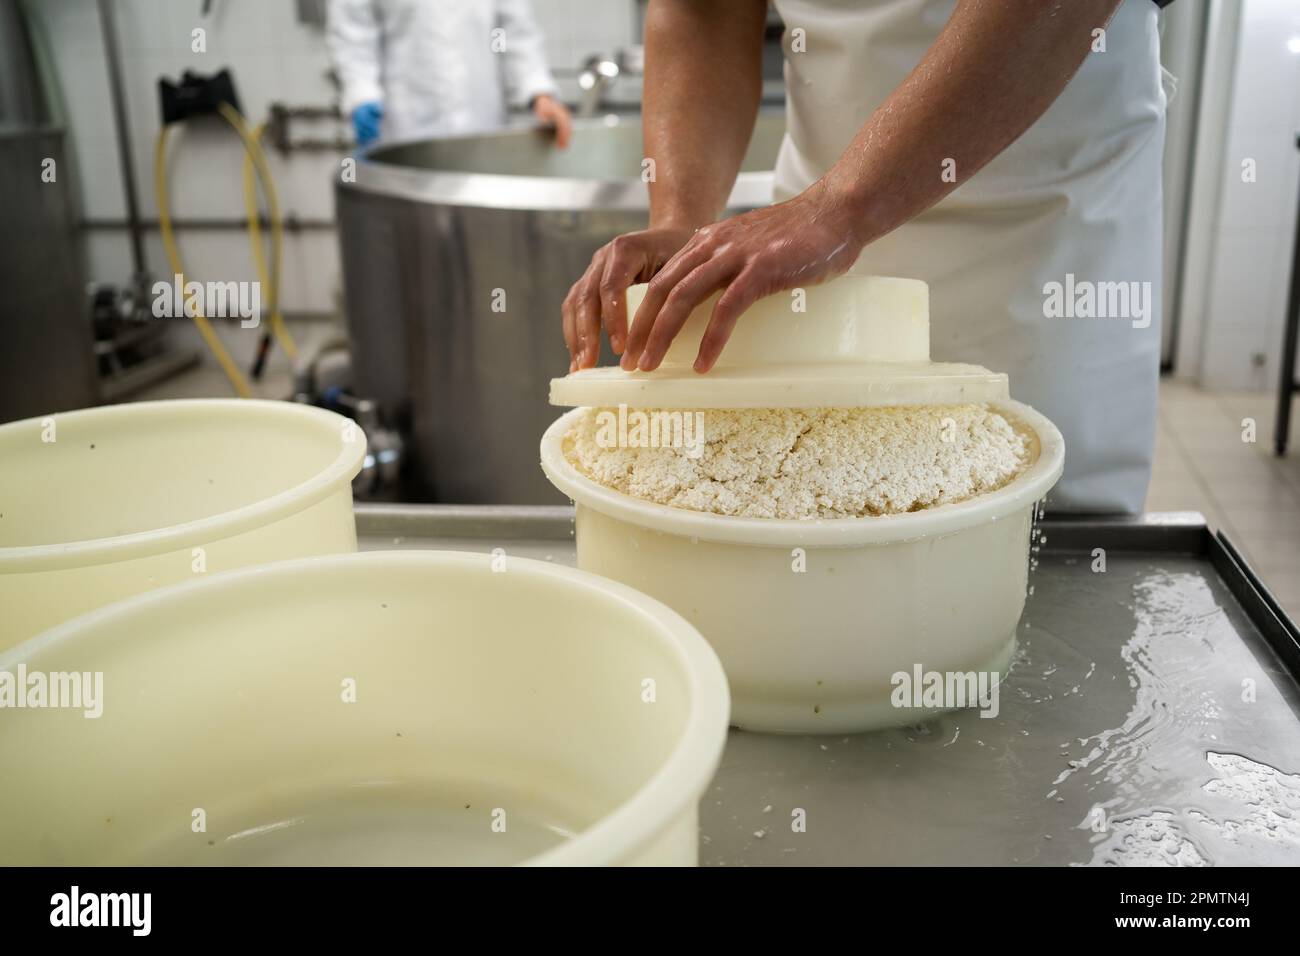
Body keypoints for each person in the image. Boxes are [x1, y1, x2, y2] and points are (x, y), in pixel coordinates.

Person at [562, 0, 1173, 513]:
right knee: (798, 523)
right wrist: (681, 219)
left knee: (1035, 518)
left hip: (1041, 223)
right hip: (803, 233)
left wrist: (841, 212)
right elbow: (705, 10)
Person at [328, 0, 573, 148]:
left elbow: (514, 28)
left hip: (482, 121)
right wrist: (361, 93)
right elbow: (354, 34)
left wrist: (538, 92)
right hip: (404, 124)